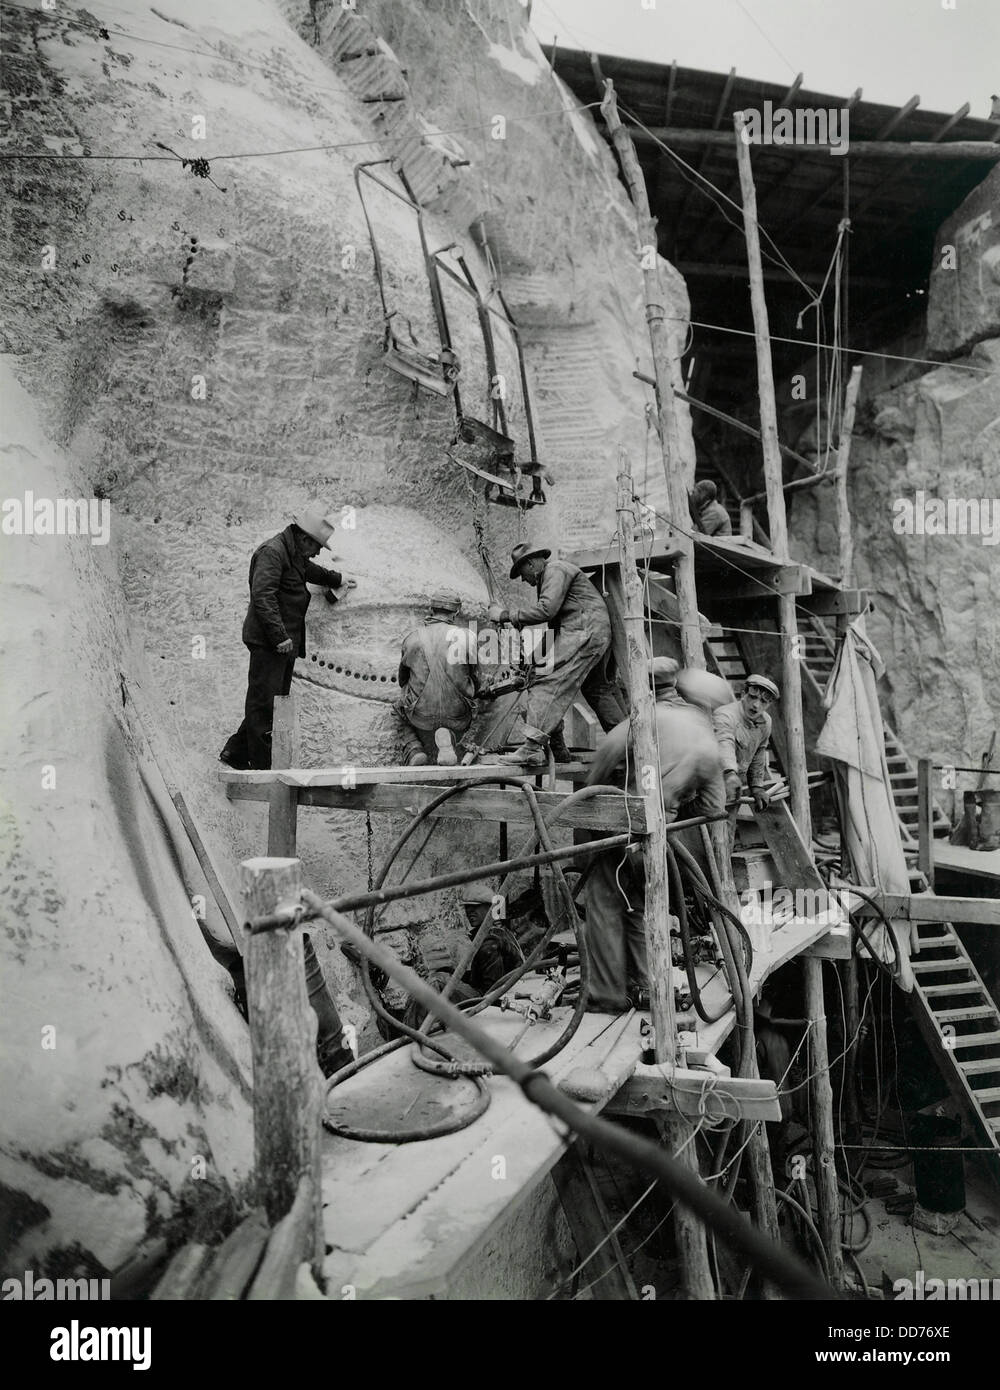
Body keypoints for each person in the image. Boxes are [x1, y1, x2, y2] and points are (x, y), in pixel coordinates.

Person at [583, 657, 727, 1012]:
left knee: (603, 898)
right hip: (662, 835)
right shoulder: (704, 736)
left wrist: (598, 801)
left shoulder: (641, 721)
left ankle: (607, 994)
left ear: (643, 687)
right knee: (640, 905)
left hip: (628, 826)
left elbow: (598, 769)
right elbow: (711, 807)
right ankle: (647, 984)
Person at [220, 507, 352, 771]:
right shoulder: (273, 552)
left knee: (273, 701)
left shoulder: (293, 553)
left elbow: (310, 570)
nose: (316, 552)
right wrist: (279, 636)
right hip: (269, 642)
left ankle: (235, 751)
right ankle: (261, 767)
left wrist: (337, 578)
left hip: (282, 645)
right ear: (304, 538)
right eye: (317, 546)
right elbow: (263, 595)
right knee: (264, 705)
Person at [487, 543, 626, 768]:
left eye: (521, 573)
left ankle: (532, 748)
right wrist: (533, 659)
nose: (523, 580)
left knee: (545, 682)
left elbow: (545, 611)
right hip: (594, 632)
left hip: (584, 632)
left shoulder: (555, 570)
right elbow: (553, 628)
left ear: (530, 564)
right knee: (597, 688)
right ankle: (625, 745)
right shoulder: (554, 577)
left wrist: (505, 615)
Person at [396, 592, 479, 766]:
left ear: (431, 610)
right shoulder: (467, 636)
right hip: (459, 714)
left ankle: (414, 750)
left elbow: (402, 680)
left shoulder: (412, 638)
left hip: (421, 715)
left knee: (398, 709)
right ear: (455, 613)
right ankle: (460, 742)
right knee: (482, 704)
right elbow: (476, 677)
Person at [713, 674, 780, 814]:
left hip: (735, 783)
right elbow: (724, 743)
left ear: (769, 705)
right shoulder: (725, 715)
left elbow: (759, 753)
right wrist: (730, 773)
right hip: (712, 781)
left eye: (763, 701)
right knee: (711, 826)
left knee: (728, 829)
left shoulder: (766, 722)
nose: (756, 705)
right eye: (753, 697)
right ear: (743, 694)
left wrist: (757, 786)